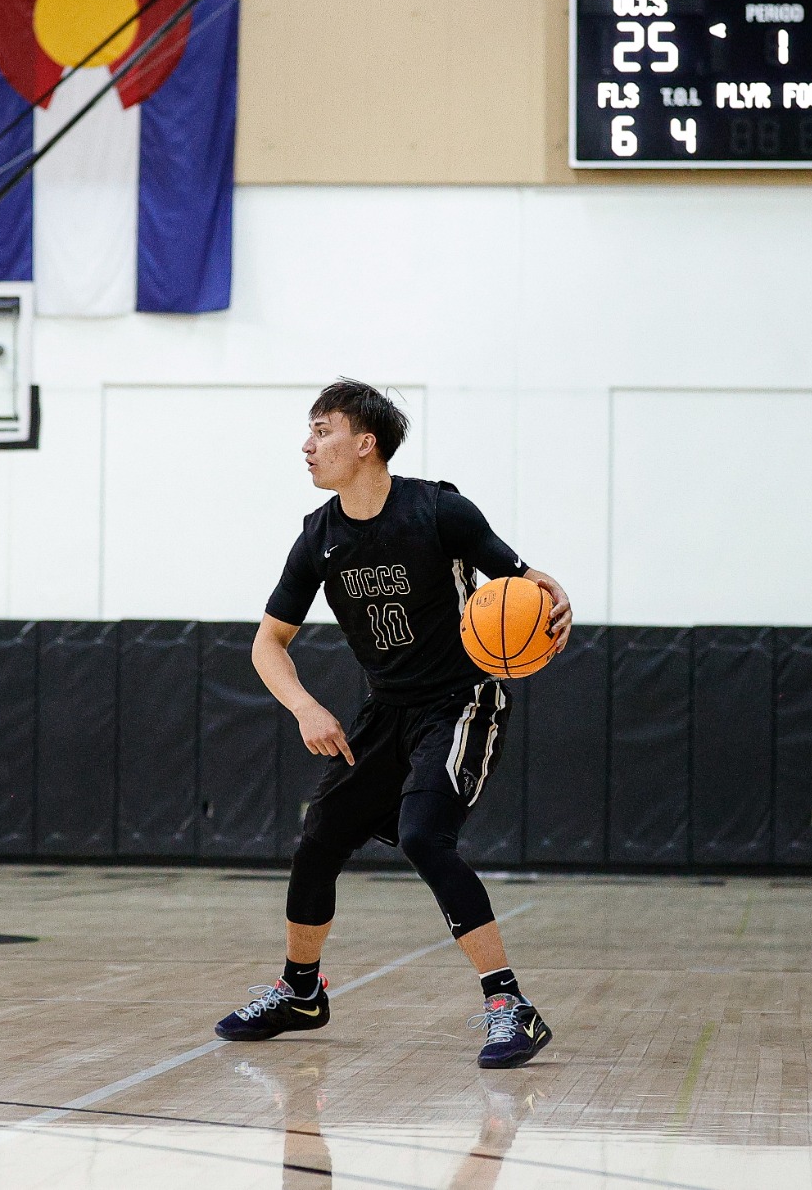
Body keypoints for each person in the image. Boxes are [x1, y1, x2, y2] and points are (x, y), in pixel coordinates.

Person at [212, 380, 571, 1069]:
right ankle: (301, 991)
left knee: (422, 837)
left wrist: (559, 606)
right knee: (318, 840)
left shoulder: (439, 510)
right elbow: (267, 642)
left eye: (322, 430)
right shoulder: (318, 534)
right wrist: (306, 706)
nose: (307, 445)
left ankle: (510, 1004)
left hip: (461, 700)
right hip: (385, 710)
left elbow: (531, 583)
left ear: (365, 442)